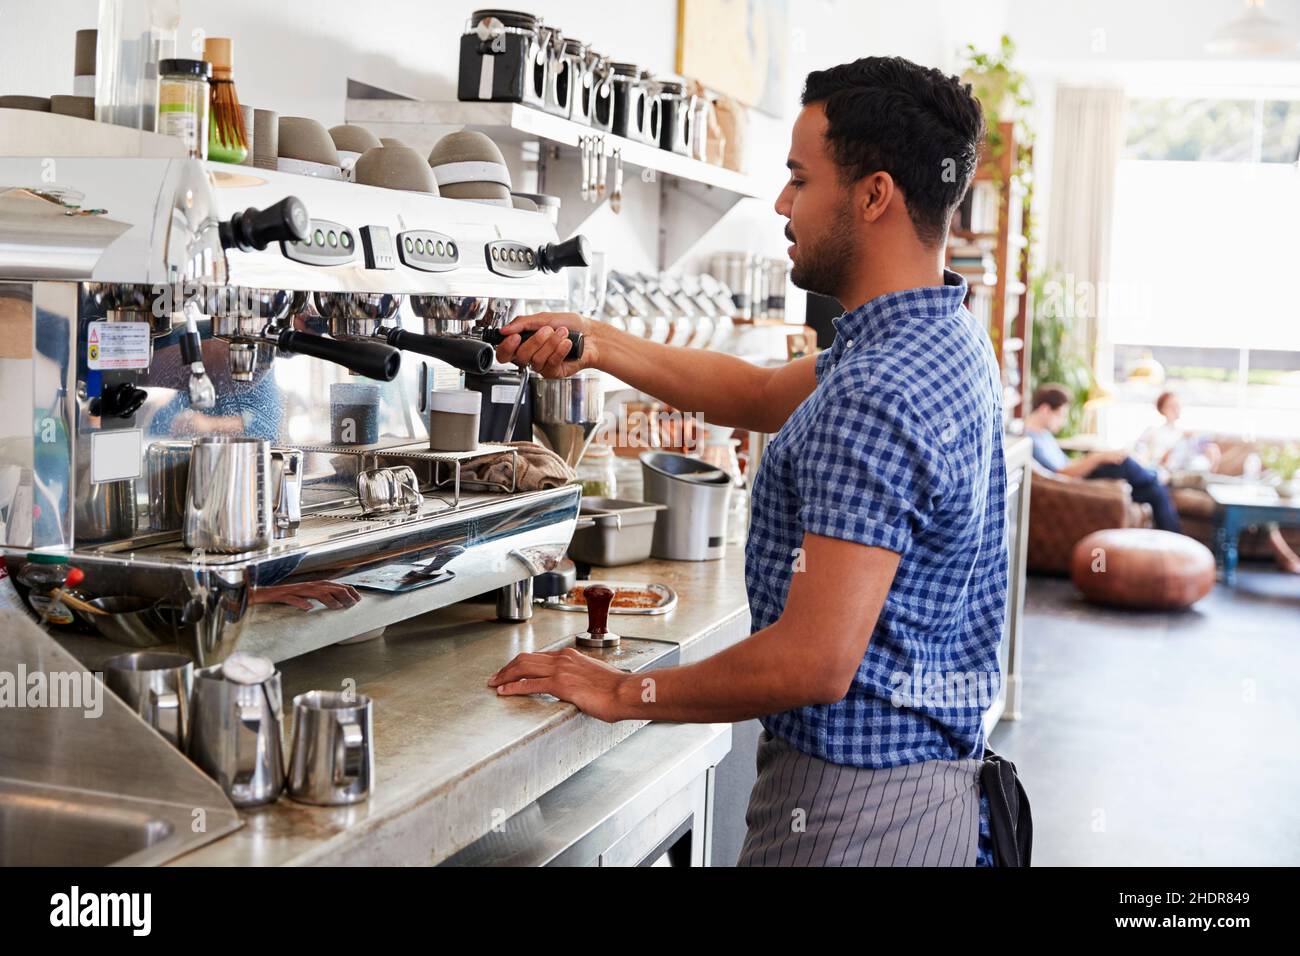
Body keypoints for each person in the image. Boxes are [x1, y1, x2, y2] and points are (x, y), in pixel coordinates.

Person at [488, 57, 1006, 866]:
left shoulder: (879, 389)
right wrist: (600, 343)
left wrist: (625, 691)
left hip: (857, 816)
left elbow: (813, 661)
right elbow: (762, 393)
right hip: (926, 792)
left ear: (874, 195)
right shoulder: (936, 336)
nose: (782, 203)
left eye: (801, 179)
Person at [1024, 383, 1182, 533]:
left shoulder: (1043, 435)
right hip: (1074, 483)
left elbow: (1065, 464)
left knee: (1156, 492)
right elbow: (1062, 472)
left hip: (1078, 476)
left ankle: (1175, 543)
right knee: (1124, 462)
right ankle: (1154, 475)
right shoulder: (1032, 439)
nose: (1063, 422)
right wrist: (1097, 458)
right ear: (1045, 410)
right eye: (1060, 415)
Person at [1135, 391, 1220, 473]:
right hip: (1163, 466)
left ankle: (1204, 475)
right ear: (1163, 409)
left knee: (1208, 451)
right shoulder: (1153, 430)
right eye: (1172, 406)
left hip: (1184, 463)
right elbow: (1140, 450)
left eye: (1178, 405)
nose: (1176, 409)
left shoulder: (1182, 432)